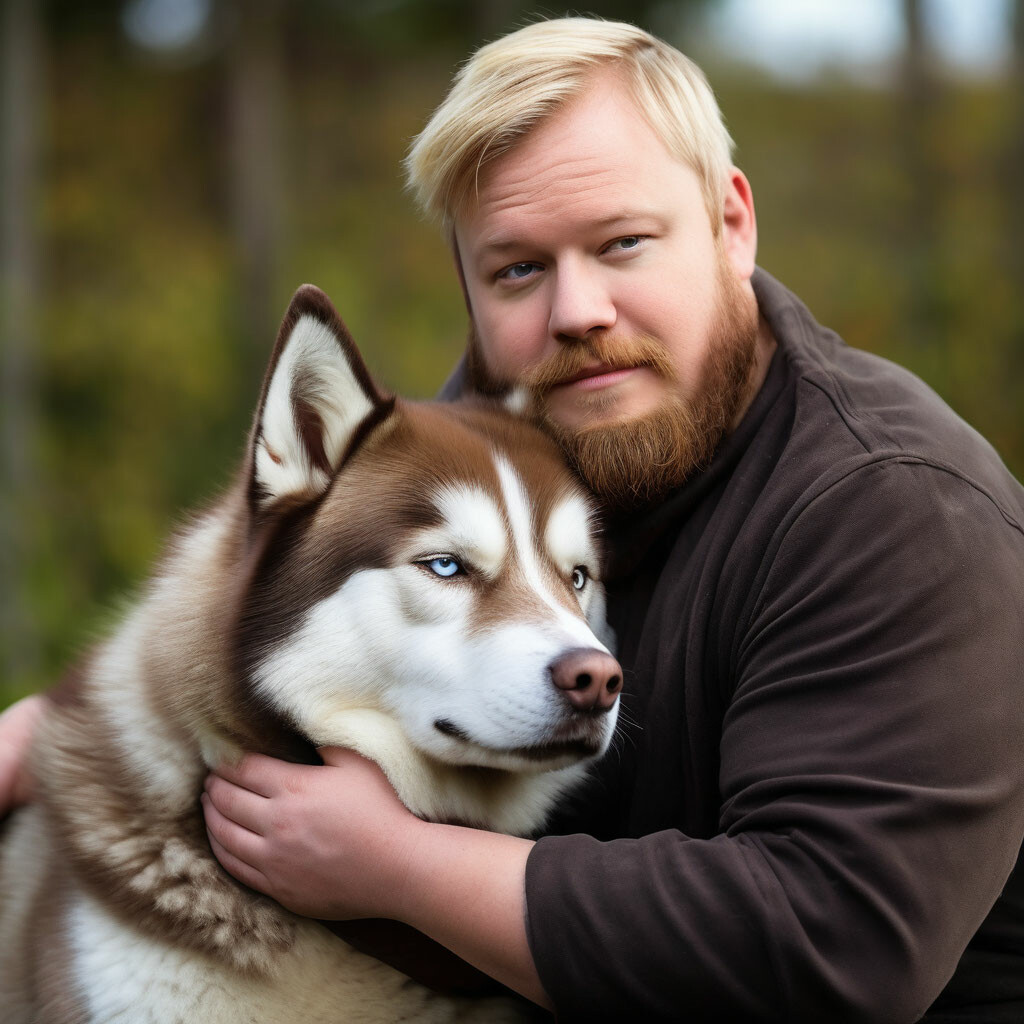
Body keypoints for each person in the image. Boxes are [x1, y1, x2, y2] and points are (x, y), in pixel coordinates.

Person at [3, 17, 1023, 1022]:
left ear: (731, 224)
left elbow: (833, 949)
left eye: (623, 243)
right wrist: (55, 728)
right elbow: (306, 605)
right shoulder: (526, 415)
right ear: (470, 287)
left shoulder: (897, 509)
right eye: (519, 270)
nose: (577, 311)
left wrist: (399, 866)